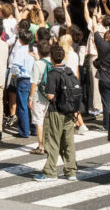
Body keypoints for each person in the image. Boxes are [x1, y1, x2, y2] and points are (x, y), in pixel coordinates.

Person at [34, 45, 79, 181]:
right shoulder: (69, 71)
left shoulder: (53, 73)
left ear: (52, 58)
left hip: (56, 111)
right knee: (68, 142)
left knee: (53, 141)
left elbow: (50, 96)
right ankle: (71, 171)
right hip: (70, 111)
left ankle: (50, 172)